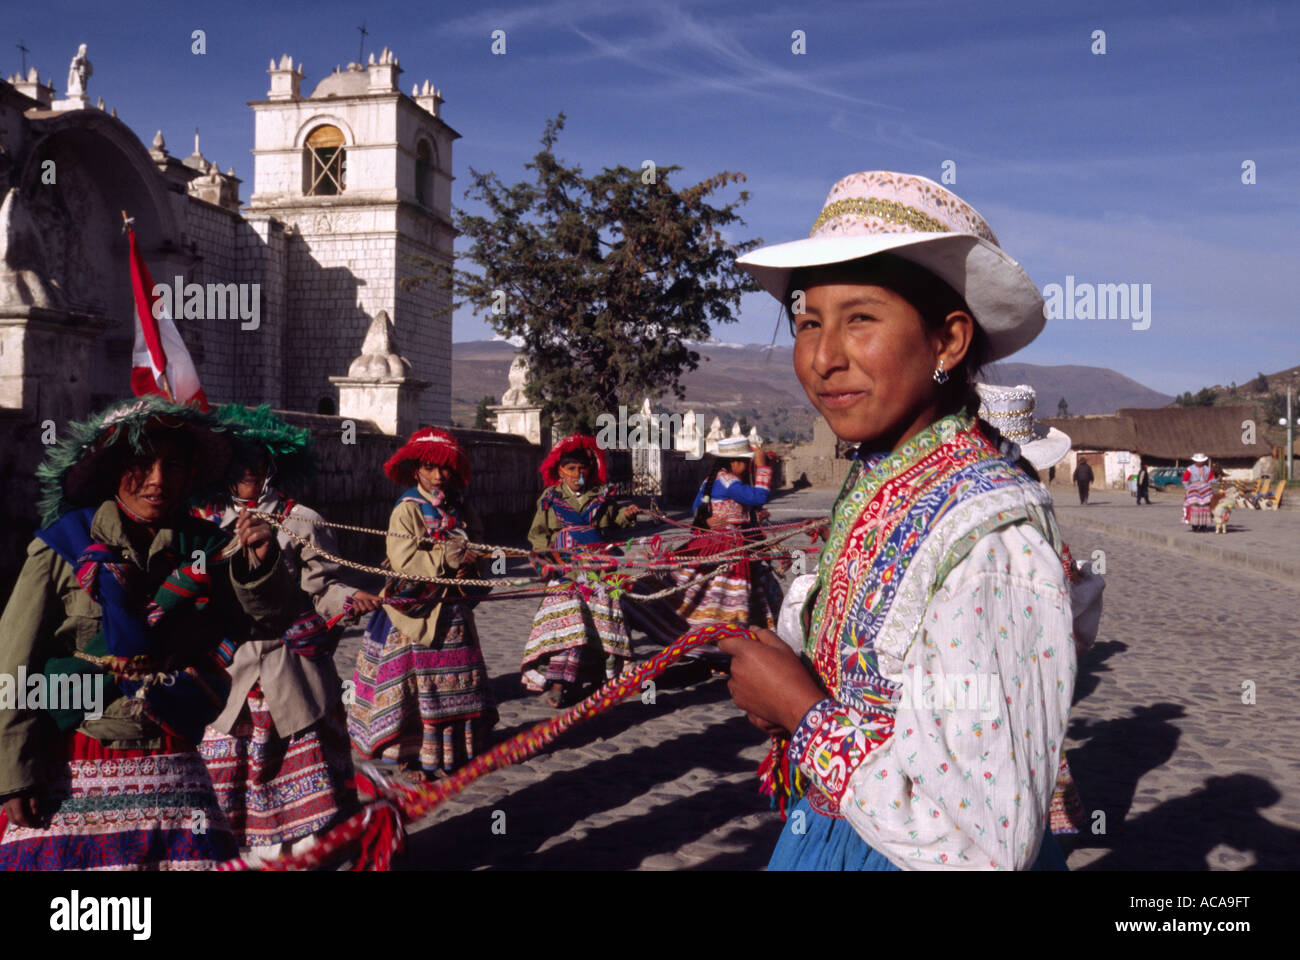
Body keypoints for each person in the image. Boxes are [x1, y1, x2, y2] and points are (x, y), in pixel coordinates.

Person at [726, 170, 1075, 870]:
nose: (824, 358)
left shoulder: (991, 542)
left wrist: (805, 714)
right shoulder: (884, 478)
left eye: (860, 319)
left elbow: (985, 846)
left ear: (947, 343)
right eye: (808, 324)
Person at [0, 396, 294, 869]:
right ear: (114, 469)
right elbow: (12, 664)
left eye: (172, 465)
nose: (157, 480)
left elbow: (265, 621)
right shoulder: (62, 547)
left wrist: (259, 566)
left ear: (190, 473)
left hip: (174, 753)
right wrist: (13, 773)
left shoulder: (209, 548)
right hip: (75, 756)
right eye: (140, 464)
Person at [195, 404, 381, 860]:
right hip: (230, 672)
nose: (246, 476)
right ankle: (241, 857)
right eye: (237, 467)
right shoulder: (204, 524)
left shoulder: (302, 520)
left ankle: (300, 856)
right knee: (227, 784)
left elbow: (325, 585)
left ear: (270, 467)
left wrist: (347, 600)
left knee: (301, 782)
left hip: (292, 669)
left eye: (254, 466)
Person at [347, 428, 497, 779]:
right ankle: (409, 756)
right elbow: (402, 558)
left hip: (454, 611)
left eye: (444, 469)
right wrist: (447, 557)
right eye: (430, 468)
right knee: (414, 686)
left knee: (454, 682)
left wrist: (472, 565)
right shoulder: (407, 510)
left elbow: (480, 544)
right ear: (416, 470)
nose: (439, 476)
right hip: (414, 613)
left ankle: (452, 751)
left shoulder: (462, 506)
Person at [521, 435, 640, 707]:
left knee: (604, 620)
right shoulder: (549, 499)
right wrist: (545, 559)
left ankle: (604, 676)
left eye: (582, 468)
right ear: (560, 470)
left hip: (598, 570)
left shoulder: (600, 497)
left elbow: (613, 520)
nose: (577, 474)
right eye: (571, 469)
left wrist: (628, 515)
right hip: (564, 569)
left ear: (590, 469)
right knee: (566, 622)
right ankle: (558, 681)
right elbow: (538, 534)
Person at [1183, 454, 1213, 532]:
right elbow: (1185, 480)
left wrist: (1211, 483)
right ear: (1195, 461)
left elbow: (1210, 479)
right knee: (1195, 507)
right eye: (1198, 461)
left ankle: (1203, 525)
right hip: (1194, 489)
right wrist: (1188, 490)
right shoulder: (1190, 469)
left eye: (1202, 461)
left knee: (1205, 507)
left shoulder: (1208, 469)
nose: (1200, 463)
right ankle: (1195, 525)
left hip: (1205, 489)